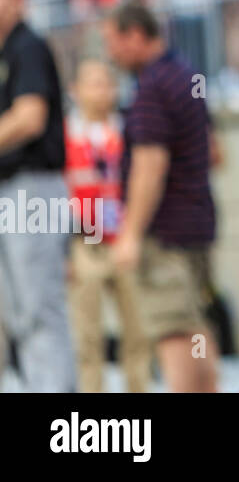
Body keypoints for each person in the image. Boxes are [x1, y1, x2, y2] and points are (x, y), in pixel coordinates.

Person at [103, 1, 220, 393]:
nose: (111, 53)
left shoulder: (152, 86)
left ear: (136, 34)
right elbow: (215, 151)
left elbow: (150, 165)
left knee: (174, 332)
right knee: (196, 328)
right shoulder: (185, 74)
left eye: (114, 41)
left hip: (166, 231)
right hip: (196, 223)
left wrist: (131, 233)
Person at [0, 0, 76, 392]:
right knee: (16, 312)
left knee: (37, 309)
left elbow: (30, 118)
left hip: (32, 189)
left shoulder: (26, 45)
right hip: (11, 188)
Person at [65, 58, 151, 393]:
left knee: (138, 331)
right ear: (76, 90)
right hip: (85, 241)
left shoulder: (129, 129)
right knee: (88, 336)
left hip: (124, 239)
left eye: (107, 83)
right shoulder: (64, 136)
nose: (103, 91)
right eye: (94, 83)